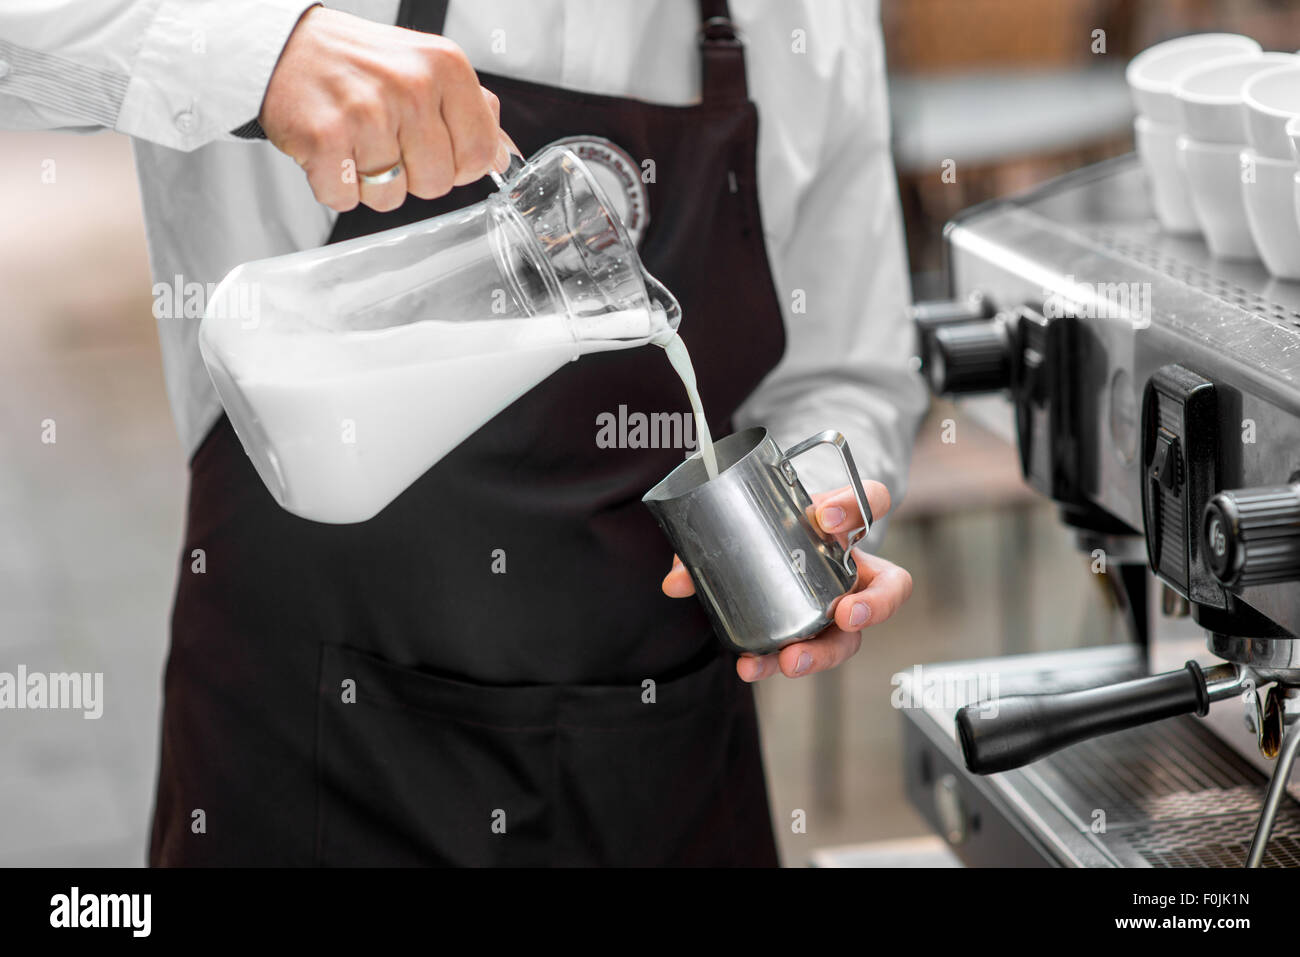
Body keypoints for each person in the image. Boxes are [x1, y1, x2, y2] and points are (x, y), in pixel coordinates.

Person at [0, 0, 927, 865]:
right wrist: (264, 52)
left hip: (663, 750)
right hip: (315, 745)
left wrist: (817, 517)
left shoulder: (808, 20)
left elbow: (848, 371)